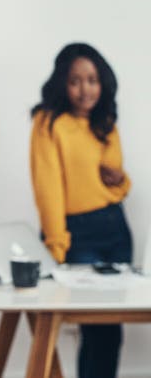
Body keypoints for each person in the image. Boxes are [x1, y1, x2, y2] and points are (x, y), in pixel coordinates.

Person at [30, 43, 132, 378]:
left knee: (111, 331)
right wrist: (56, 247)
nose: (85, 88)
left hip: (115, 228)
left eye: (92, 79)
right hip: (76, 234)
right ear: (62, 83)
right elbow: (49, 191)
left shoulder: (106, 124)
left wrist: (121, 180)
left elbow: (112, 184)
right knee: (90, 326)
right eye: (75, 80)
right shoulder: (49, 124)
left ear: (103, 83)